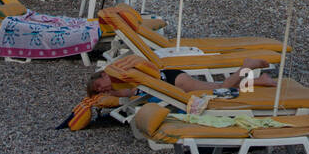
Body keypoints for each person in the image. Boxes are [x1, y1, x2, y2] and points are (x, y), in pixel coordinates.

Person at [86, 55, 276, 99]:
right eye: (98, 91)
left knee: (221, 88)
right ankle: (260, 81)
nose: (101, 89)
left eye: (98, 85)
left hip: (173, 81)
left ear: (103, 74)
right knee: (217, 85)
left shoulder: (117, 73)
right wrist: (105, 95)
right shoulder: (117, 82)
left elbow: (135, 87)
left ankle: (248, 66)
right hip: (170, 80)